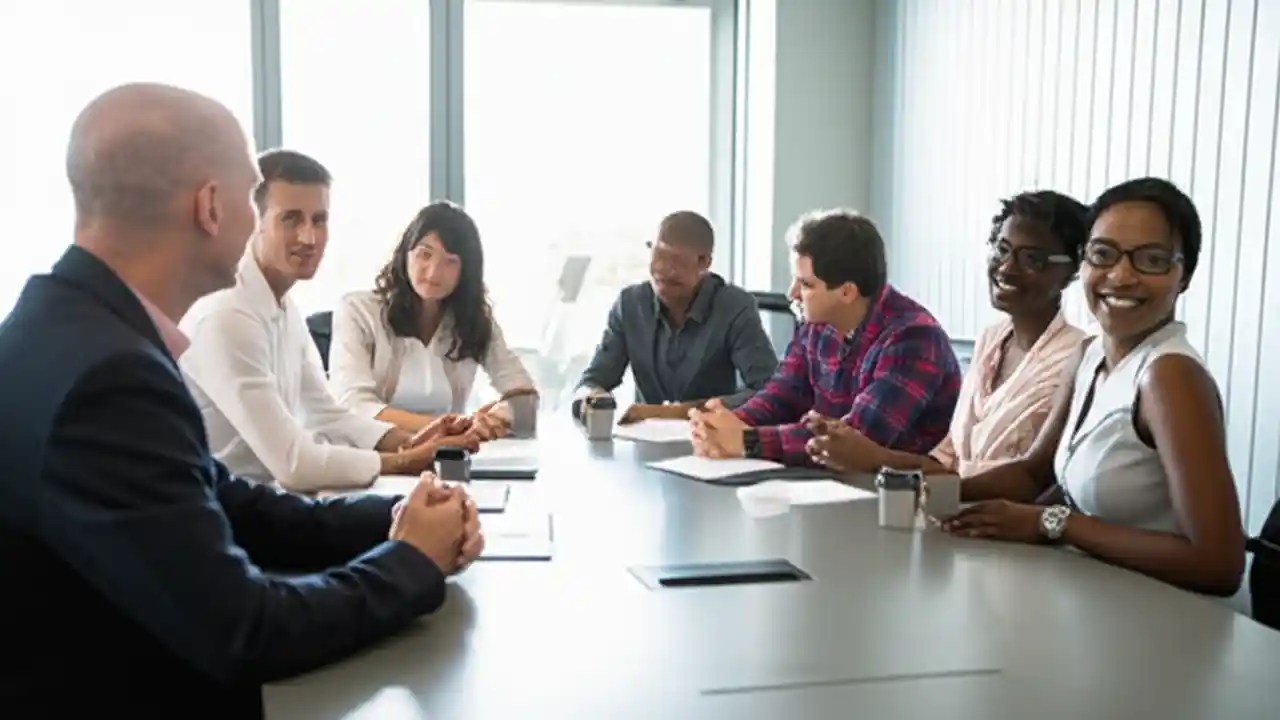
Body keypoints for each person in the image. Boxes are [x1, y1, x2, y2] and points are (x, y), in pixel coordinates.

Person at [0, 83, 481, 716]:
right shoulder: (109, 377)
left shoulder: (75, 330)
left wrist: (391, 519)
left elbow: (230, 503)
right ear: (211, 205)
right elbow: (247, 631)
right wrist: (413, 561)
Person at [941, 177, 1246, 597]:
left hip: (1163, 627)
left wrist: (1056, 524)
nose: (1120, 276)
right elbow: (1034, 475)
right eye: (1103, 254)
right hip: (1090, 602)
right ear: (1082, 264)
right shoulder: (1090, 356)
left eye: (1151, 260)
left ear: (1185, 275)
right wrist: (932, 488)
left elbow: (1218, 563)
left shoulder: (1169, 376)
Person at [179, 150, 476, 492]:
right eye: (291, 219)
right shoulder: (226, 315)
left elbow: (325, 414)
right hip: (229, 517)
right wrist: (405, 461)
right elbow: (294, 464)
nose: (309, 238)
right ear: (252, 222)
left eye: (319, 220)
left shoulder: (283, 305)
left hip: (271, 502)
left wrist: (411, 441)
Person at [806, 191, 1088, 477]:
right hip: (950, 513)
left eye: (1032, 259)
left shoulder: (1076, 358)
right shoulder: (990, 341)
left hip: (1006, 519)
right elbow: (945, 462)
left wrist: (875, 458)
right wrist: (850, 445)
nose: (1006, 268)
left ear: (1071, 270)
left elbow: (1032, 482)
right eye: (1002, 250)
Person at [690, 209, 962, 466]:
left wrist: (747, 441)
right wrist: (727, 424)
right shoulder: (818, 323)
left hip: (898, 500)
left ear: (847, 292)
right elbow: (782, 394)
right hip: (834, 486)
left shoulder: (914, 340)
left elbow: (856, 441)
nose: (791, 293)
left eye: (806, 284)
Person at [329, 201, 535, 438]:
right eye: (424, 255)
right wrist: (447, 426)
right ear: (406, 254)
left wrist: (497, 417)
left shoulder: (472, 320)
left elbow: (525, 396)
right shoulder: (359, 311)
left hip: (447, 457)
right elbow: (352, 405)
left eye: (450, 262)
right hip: (374, 458)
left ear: (466, 271)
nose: (433, 272)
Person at [575, 211, 778, 423]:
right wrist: (590, 398)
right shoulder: (630, 305)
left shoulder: (735, 307)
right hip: (646, 445)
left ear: (704, 262)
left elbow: (770, 393)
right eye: (658, 255)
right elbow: (593, 380)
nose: (662, 270)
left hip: (714, 441)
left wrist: (673, 413)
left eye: (675, 261)